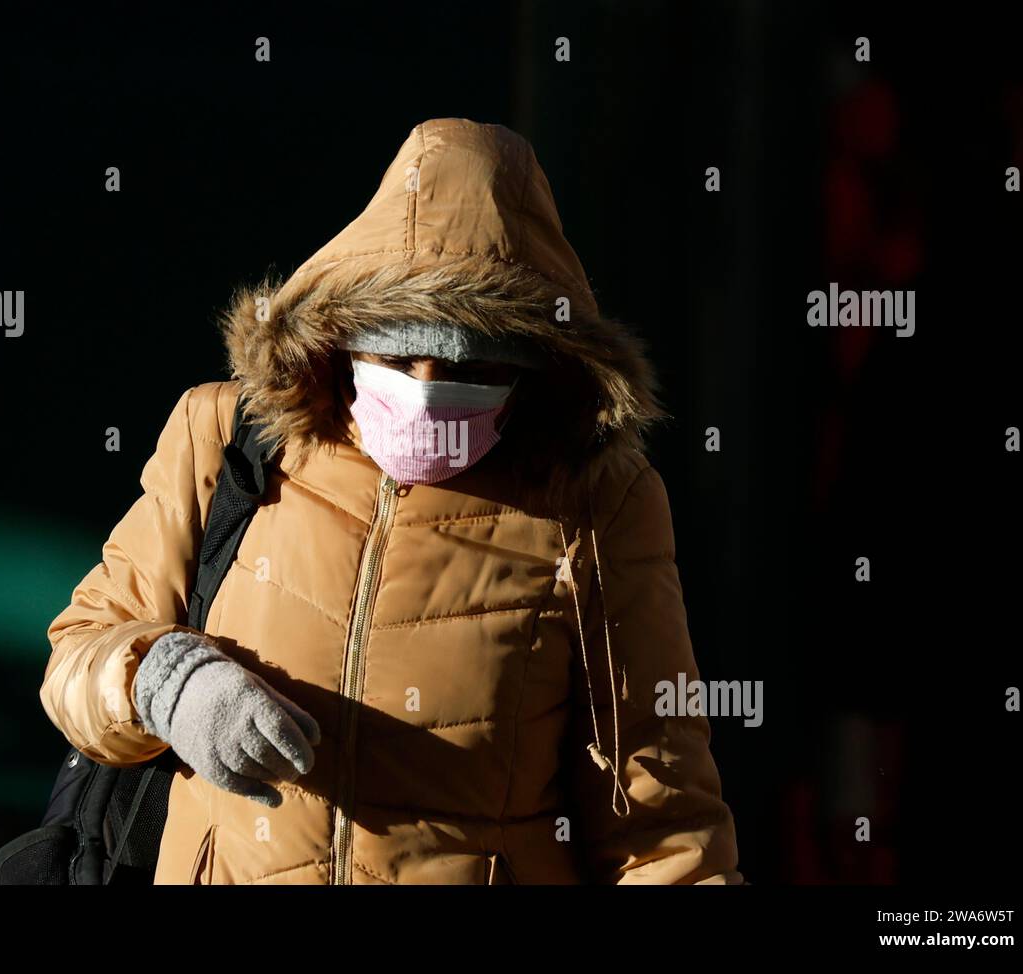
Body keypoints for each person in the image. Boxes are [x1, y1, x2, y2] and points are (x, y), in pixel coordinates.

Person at [39, 117, 742, 885]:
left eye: (471, 365)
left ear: (537, 365)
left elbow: (661, 819)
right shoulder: (226, 438)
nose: (427, 391)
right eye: (397, 354)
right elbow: (81, 649)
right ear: (344, 335)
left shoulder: (597, 499)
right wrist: (167, 683)